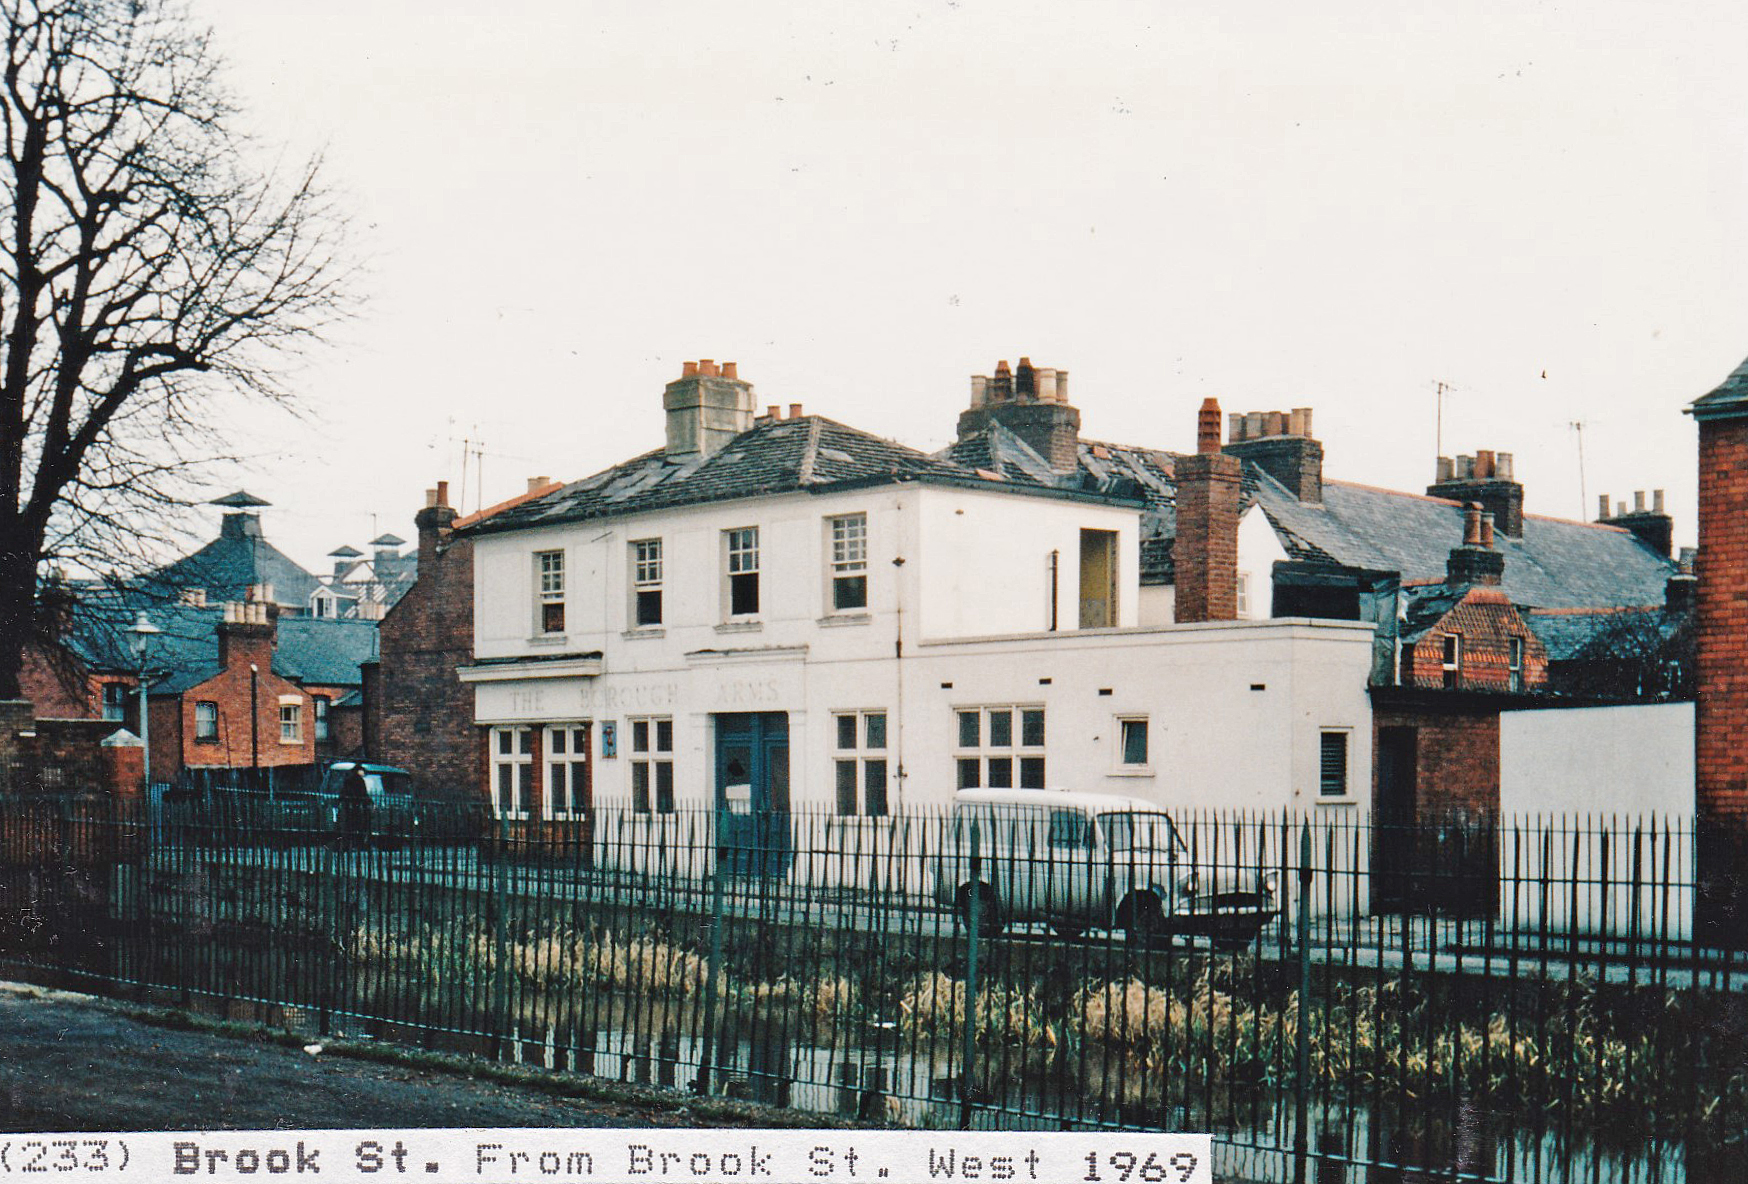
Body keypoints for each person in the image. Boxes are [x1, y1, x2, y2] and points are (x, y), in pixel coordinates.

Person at [339, 763, 372, 849]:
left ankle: (356, 843)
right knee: (353, 826)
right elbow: (359, 793)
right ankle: (353, 844)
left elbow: (364, 793)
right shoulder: (353, 781)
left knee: (356, 826)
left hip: (356, 805)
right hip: (353, 805)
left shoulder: (358, 780)